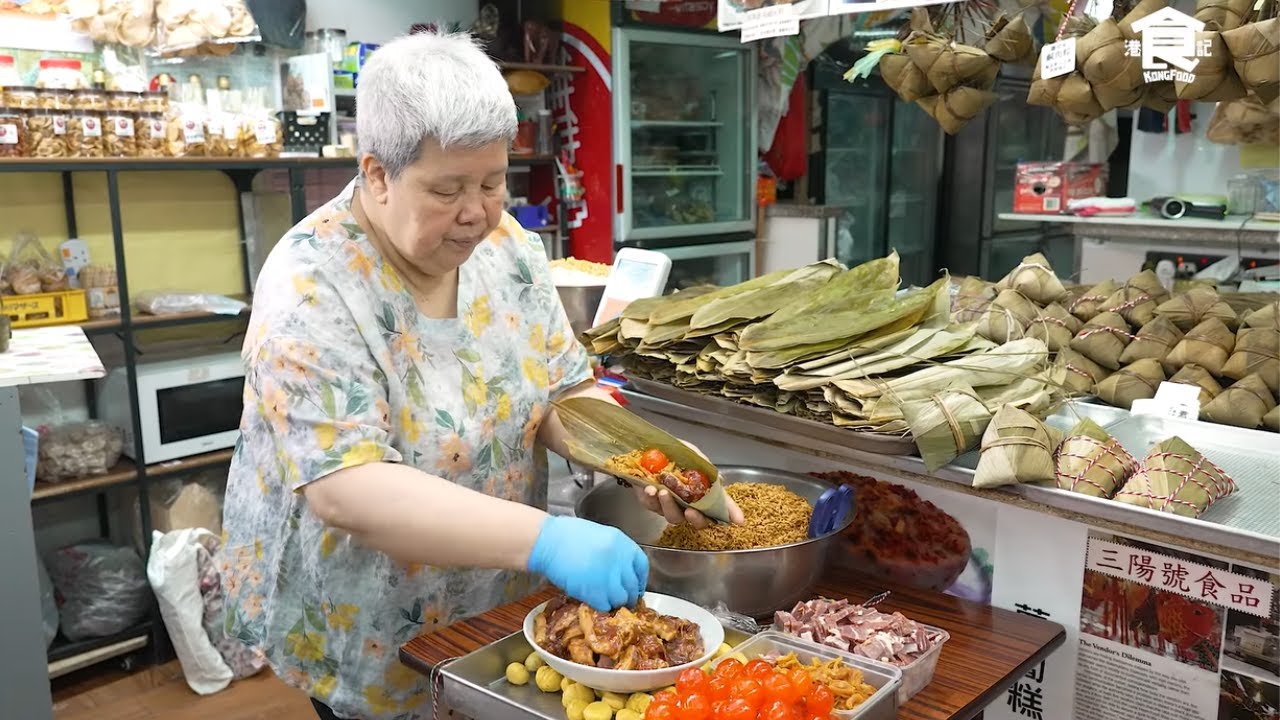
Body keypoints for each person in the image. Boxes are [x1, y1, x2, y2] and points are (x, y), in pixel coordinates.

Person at [217, 31, 743, 720]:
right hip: (367, 616)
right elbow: (349, 488)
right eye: (447, 189)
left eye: (494, 182)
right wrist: (549, 539)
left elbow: (559, 391)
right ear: (377, 174)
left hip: (491, 602)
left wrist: (645, 459)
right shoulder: (312, 287)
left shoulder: (508, 250)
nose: (477, 212)